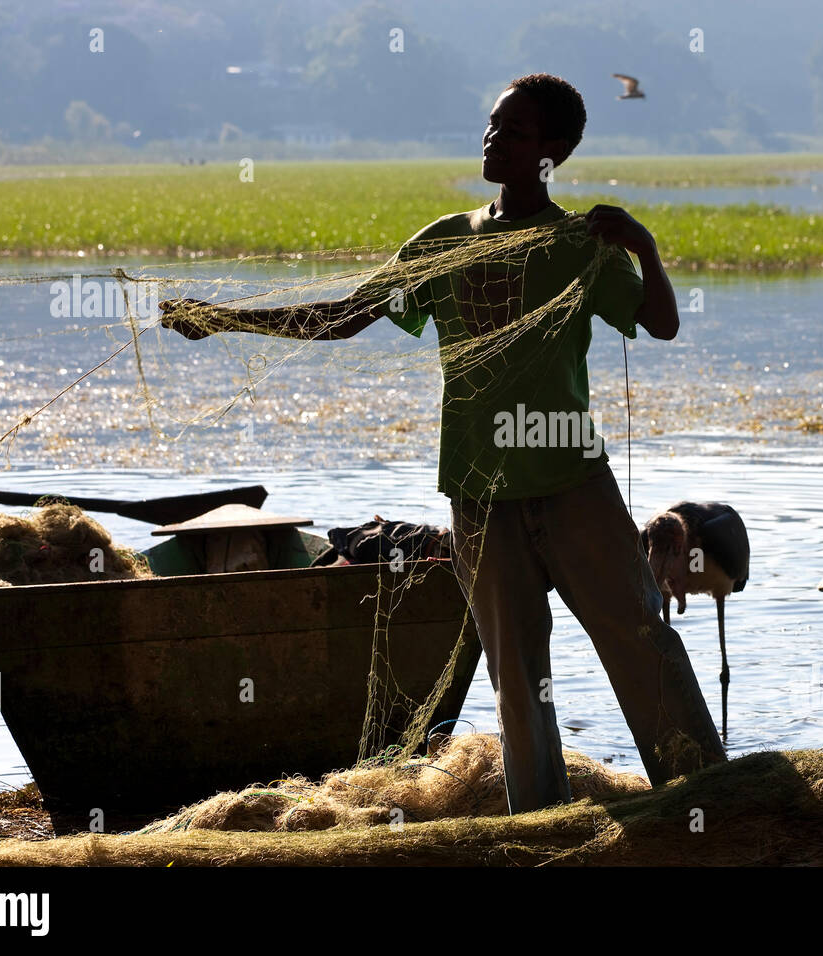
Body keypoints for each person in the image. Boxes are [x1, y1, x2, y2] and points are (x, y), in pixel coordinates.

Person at [161, 73, 726, 813]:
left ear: (553, 151)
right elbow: (344, 315)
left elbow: (661, 323)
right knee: (516, 679)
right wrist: (224, 318)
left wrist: (644, 246)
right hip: (480, 492)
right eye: (492, 126)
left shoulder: (579, 244)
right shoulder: (444, 243)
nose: (493, 140)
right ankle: (541, 821)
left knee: (640, 640)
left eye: (514, 132)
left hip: (572, 485)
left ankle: (709, 803)